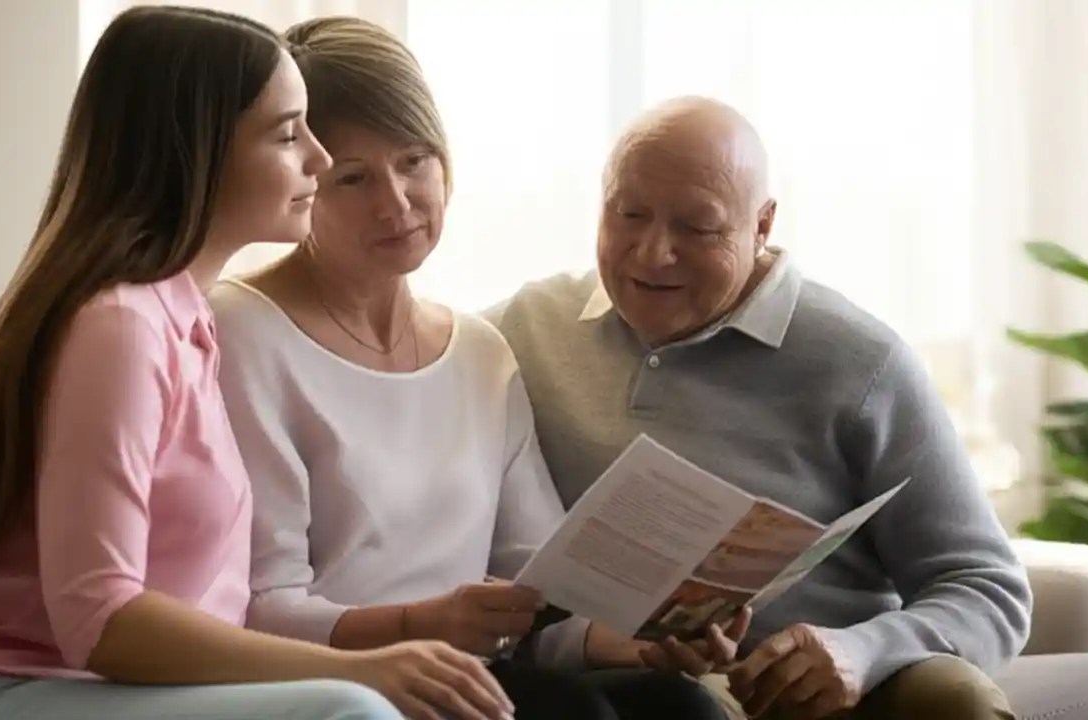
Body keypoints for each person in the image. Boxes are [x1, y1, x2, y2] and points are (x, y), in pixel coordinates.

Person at [0, 7, 512, 720]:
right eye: (289, 133)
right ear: (198, 149)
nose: (319, 162)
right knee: (348, 712)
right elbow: (99, 615)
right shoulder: (120, 325)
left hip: (109, 693)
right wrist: (362, 669)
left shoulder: (187, 319)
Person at [209, 16, 738, 720]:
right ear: (302, 182)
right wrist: (423, 623)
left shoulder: (480, 351)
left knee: (680, 707)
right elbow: (257, 607)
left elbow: (539, 596)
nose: (396, 204)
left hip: (471, 680)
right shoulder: (241, 331)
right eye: (354, 178)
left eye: (414, 161)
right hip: (335, 686)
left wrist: (646, 642)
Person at [487, 96, 1037, 720]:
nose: (652, 253)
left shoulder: (860, 362)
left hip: (828, 686)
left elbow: (988, 586)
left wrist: (860, 652)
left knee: (956, 700)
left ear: (762, 225)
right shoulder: (522, 329)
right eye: (629, 214)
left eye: (697, 228)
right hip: (625, 683)